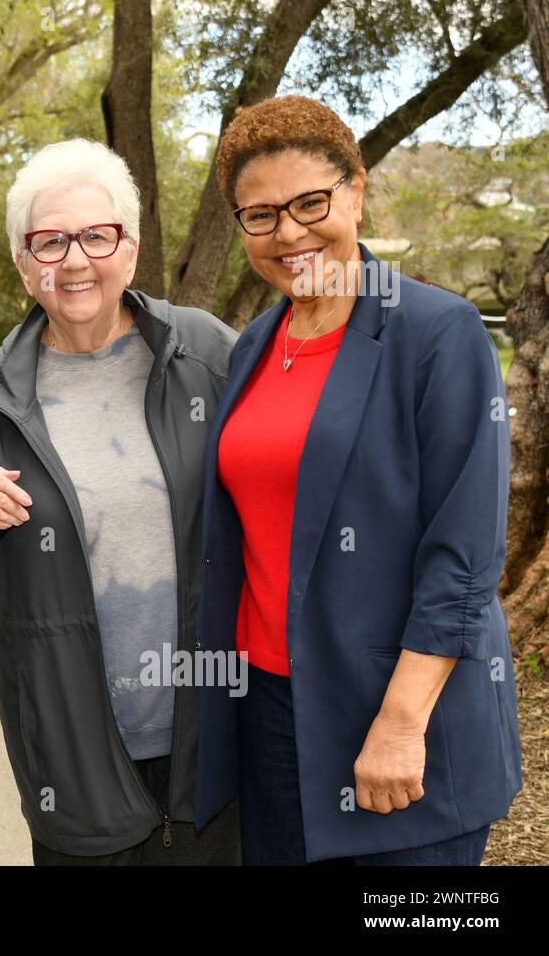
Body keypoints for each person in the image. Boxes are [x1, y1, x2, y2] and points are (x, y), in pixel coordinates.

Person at [194, 94, 522, 864]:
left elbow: (464, 557)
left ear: (357, 190)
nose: (290, 232)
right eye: (261, 215)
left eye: (311, 202)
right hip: (271, 715)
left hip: (399, 720)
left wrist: (402, 722)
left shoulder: (438, 332)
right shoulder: (251, 348)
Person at [0, 138, 241, 864]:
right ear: (24, 262)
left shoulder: (207, 353)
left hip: (214, 745)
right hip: (73, 754)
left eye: (97, 235)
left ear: (130, 247)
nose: (75, 259)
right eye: (50, 241)